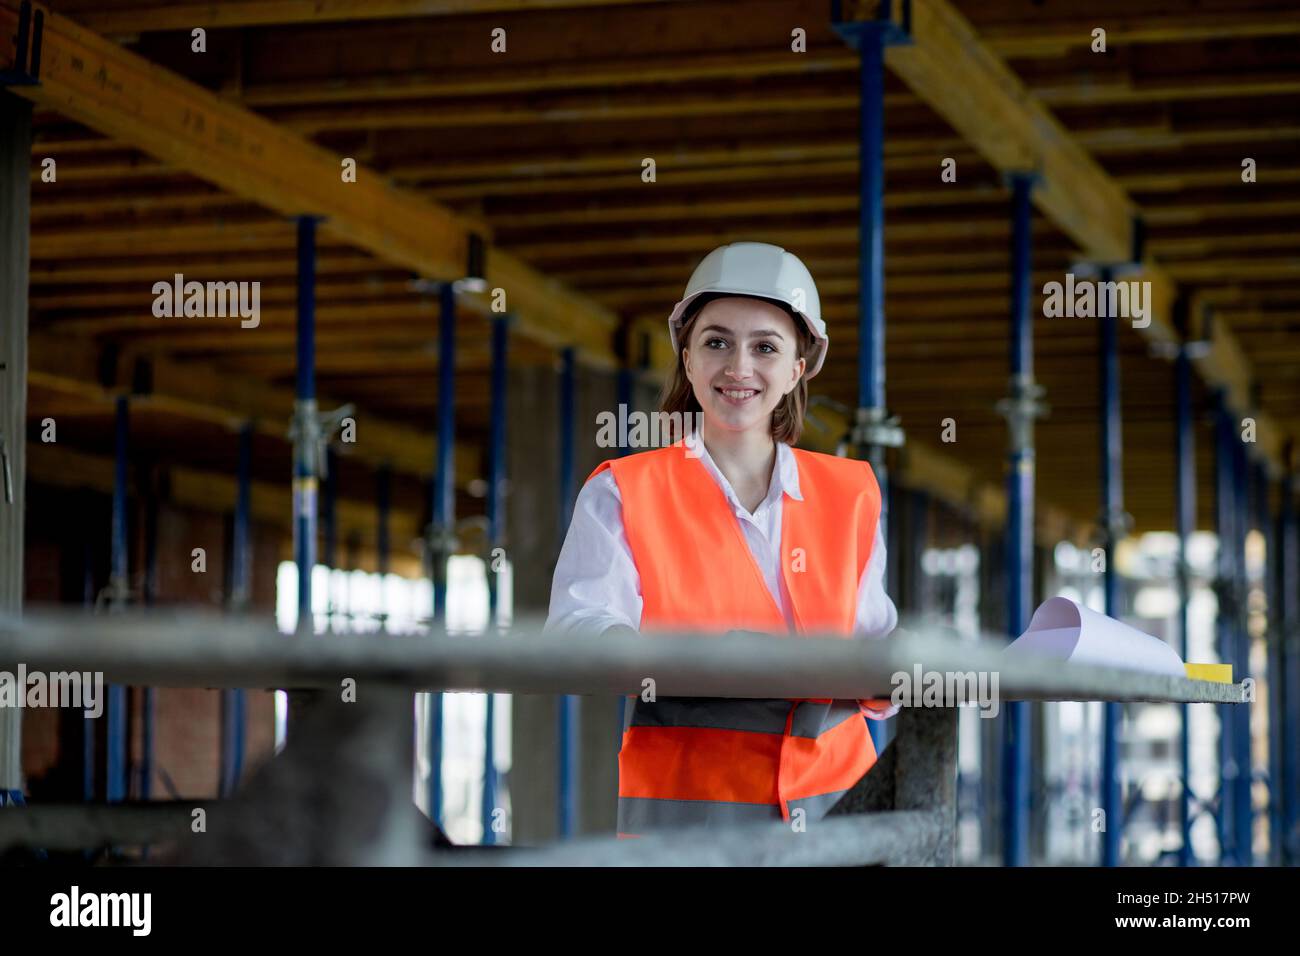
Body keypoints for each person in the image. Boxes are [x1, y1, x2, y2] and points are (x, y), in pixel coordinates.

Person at [545, 241, 898, 835]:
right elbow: (579, 634)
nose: (738, 367)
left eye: (765, 346)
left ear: (797, 368)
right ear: (687, 360)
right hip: (691, 821)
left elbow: (872, 637)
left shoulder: (853, 493)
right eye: (717, 342)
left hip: (837, 812)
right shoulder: (624, 493)